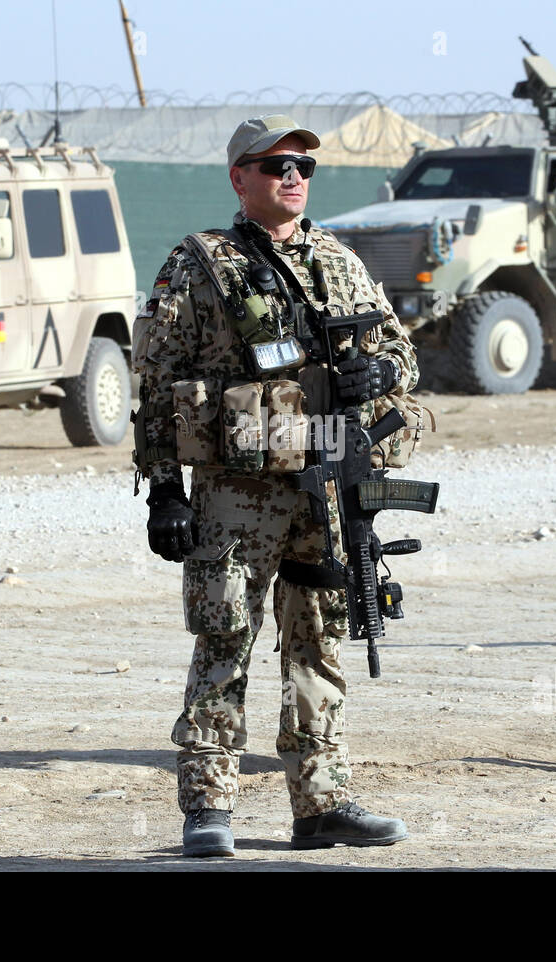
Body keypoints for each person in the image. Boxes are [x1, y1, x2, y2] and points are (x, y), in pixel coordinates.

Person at [132, 115, 420, 855]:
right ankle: (208, 807)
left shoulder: (341, 261)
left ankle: (322, 802)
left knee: (317, 642)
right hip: (238, 486)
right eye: (273, 166)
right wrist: (165, 487)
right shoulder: (199, 263)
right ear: (239, 178)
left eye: (303, 167)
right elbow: (157, 378)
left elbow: (401, 353)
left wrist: (380, 372)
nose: (292, 177)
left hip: (326, 485)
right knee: (224, 636)